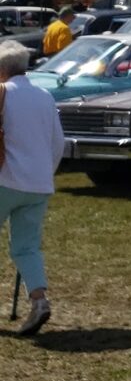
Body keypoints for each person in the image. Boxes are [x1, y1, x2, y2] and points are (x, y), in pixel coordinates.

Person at [0, 39, 66, 334]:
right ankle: (39, 301)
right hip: (39, 183)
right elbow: (57, 143)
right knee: (26, 248)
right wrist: (45, 174)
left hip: (4, 179)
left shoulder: (2, 93)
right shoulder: (44, 96)